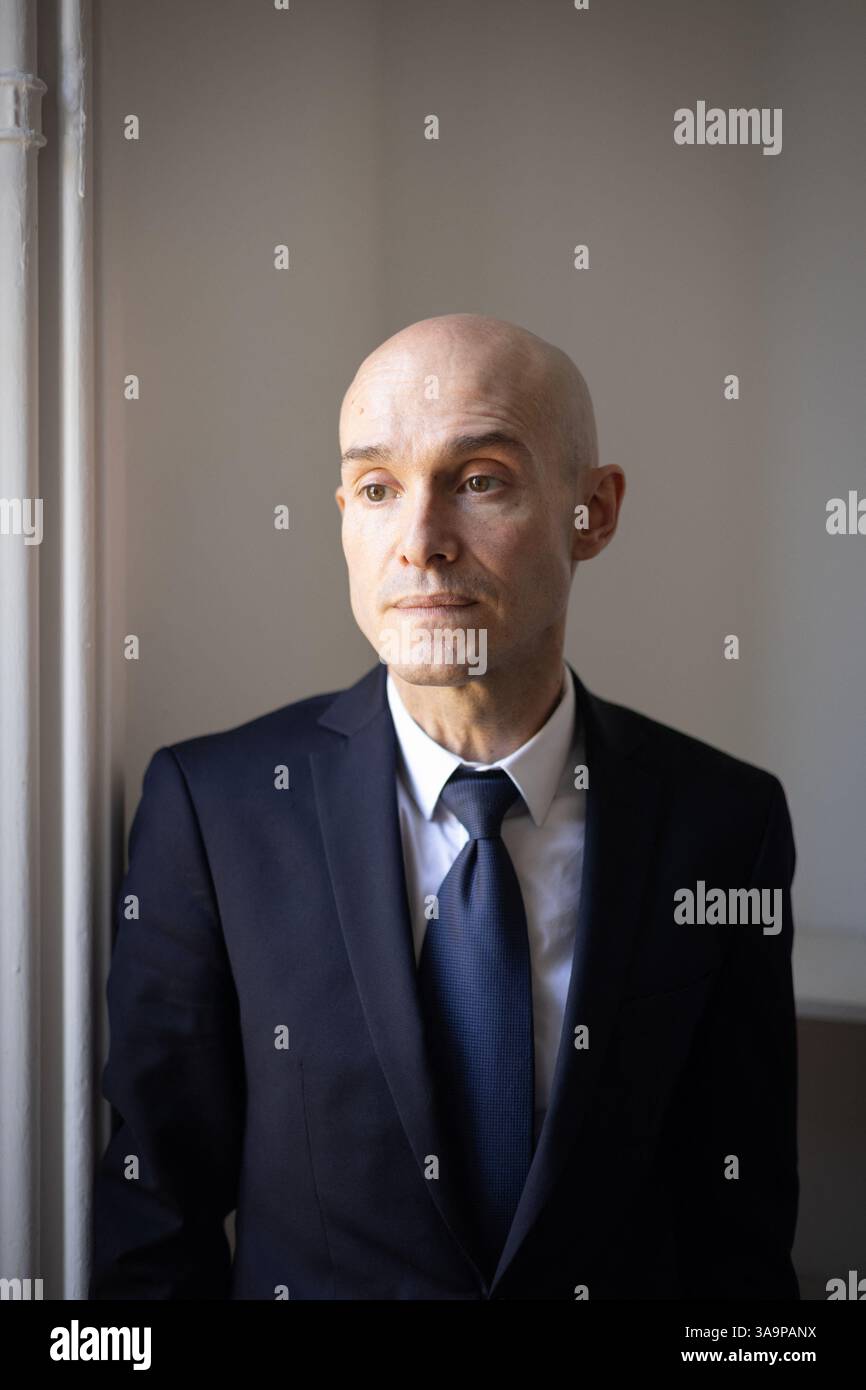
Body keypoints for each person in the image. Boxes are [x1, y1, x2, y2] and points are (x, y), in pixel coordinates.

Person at [89, 313, 799, 1300]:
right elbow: (150, 1218)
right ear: (342, 514)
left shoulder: (723, 825)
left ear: (591, 512)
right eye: (377, 489)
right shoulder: (214, 812)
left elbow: (740, 1230)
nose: (420, 542)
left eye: (478, 482)